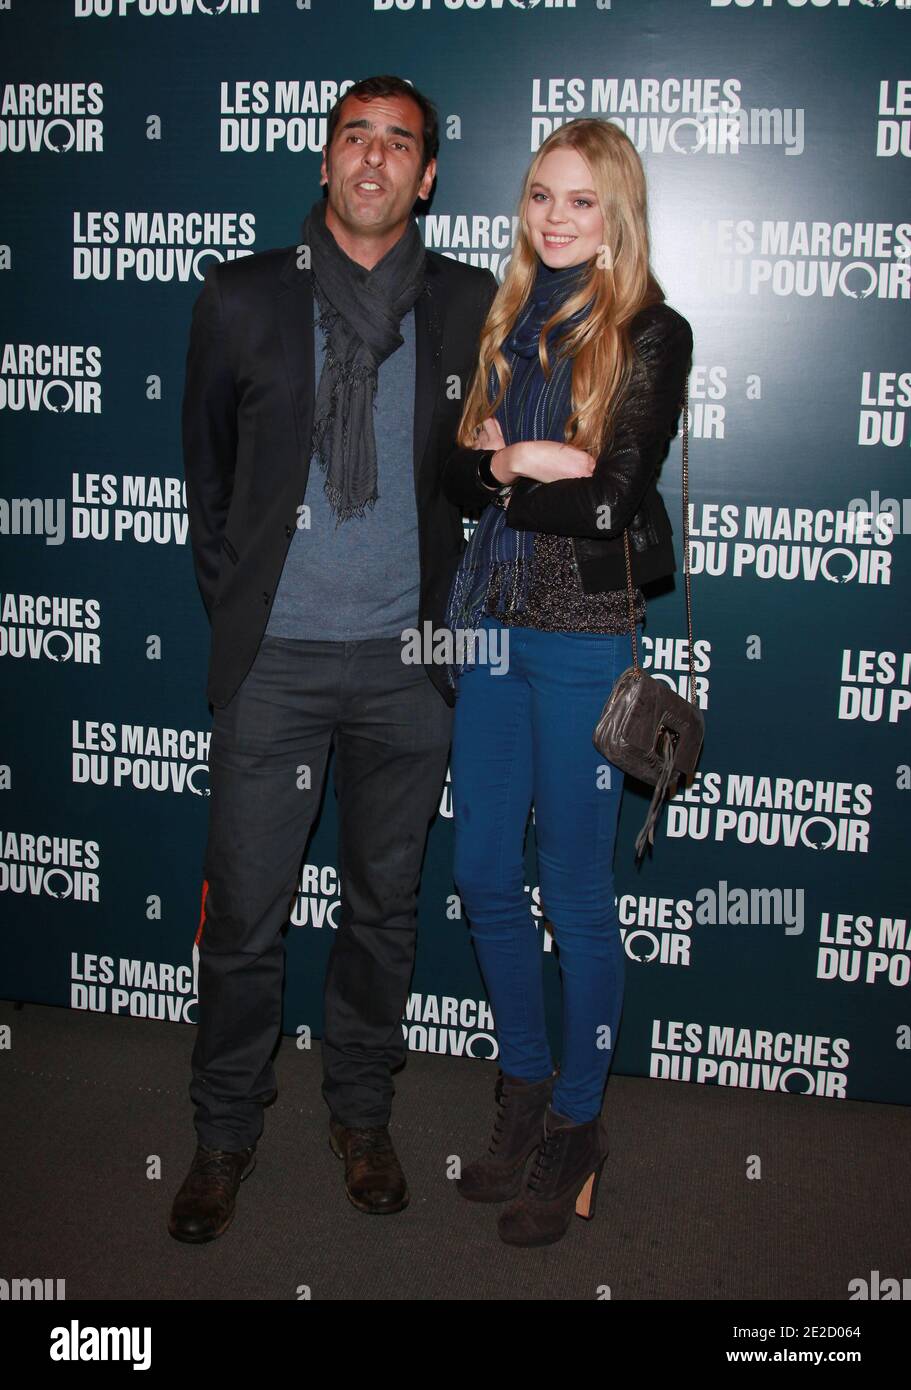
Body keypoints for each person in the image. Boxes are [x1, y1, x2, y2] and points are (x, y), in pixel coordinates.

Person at [171, 74, 497, 1242]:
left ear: (426, 175)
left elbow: (484, 479)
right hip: (277, 665)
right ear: (323, 161)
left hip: (410, 664)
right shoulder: (244, 297)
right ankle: (222, 1132)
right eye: (352, 137)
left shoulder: (468, 306)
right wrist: (244, 613)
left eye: (397, 142)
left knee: (382, 912)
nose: (371, 159)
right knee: (246, 915)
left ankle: (361, 1114)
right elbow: (208, 479)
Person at [441, 118, 692, 1247]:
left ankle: (579, 1124)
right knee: (484, 871)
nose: (553, 216)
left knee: (573, 892)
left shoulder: (648, 331)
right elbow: (453, 470)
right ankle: (525, 1086)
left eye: (580, 201)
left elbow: (616, 501)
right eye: (540, 193)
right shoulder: (504, 317)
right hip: (490, 626)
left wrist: (513, 474)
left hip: (585, 637)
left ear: (616, 213)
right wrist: (517, 462)